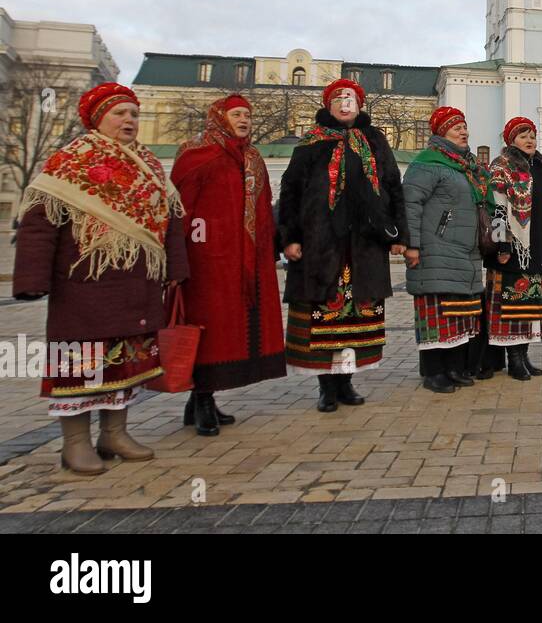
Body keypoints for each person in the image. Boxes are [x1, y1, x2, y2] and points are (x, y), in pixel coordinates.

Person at [13, 83, 188, 473]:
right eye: (119, 113)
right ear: (97, 118)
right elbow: (40, 222)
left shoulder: (149, 164)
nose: (129, 120)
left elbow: (172, 220)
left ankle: (114, 434)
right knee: (80, 364)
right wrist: (31, 278)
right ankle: (75, 443)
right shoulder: (70, 161)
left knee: (126, 361)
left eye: (134, 114)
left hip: (137, 282)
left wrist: (176, 271)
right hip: (84, 282)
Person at [278, 79, 408, 412]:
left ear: (360, 104)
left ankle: (347, 381)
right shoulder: (311, 142)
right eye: (338, 98)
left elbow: (393, 186)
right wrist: (289, 237)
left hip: (365, 243)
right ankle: (326, 386)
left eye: (350, 97)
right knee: (325, 316)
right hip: (320, 241)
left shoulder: (375, 140)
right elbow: (291, 190)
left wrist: (399, 236)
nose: (344, 103)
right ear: (328, 105)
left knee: (355, 314)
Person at [170, 94, 286, 436]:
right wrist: (178, 255)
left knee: (231, 330)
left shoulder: (252, 158)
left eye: (248, 115)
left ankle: (200, 402)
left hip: (246, 259)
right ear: (220, 116)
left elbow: (264, 208)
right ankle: (202, 399)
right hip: (206, 260)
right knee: (209, 328)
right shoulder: (196, 154)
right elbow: (180, 209)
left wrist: (269, 249)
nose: (244, 119)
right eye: (237, 114)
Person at [402, 106, 488, 393]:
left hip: (465, 249)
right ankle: (433, 372)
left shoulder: (467, 166)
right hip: (435, 247)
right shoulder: (427, 163)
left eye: (464, 126)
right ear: (441, 132)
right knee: (436, 310)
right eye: (456, 127)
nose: (464, 131)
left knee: (459, 311)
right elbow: (410, 205)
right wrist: (411, 245)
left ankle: (454, 367)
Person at [483, 116, 542, 380]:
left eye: (532, 135)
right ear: (511, 139)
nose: (530, 140)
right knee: (511, 303)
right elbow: (497, 207)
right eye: (523, 135)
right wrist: (501, 244)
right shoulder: (501, 166)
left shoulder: (541, 168)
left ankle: (524, 354)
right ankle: (512, 358)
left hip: (535, 247)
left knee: (530, 305)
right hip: (512, 248)